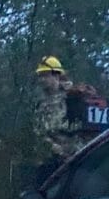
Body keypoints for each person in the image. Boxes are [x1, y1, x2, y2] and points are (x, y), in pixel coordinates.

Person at [32, 55, 79, 187]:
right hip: (45, 163)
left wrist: (68, 153)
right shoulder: (40, 103)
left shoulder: (72, 98)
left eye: (46, 75)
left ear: (56, 76)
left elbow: (80, 130)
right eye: (40, 76)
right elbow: (38, 133)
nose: (42, 79)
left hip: (68, 162)